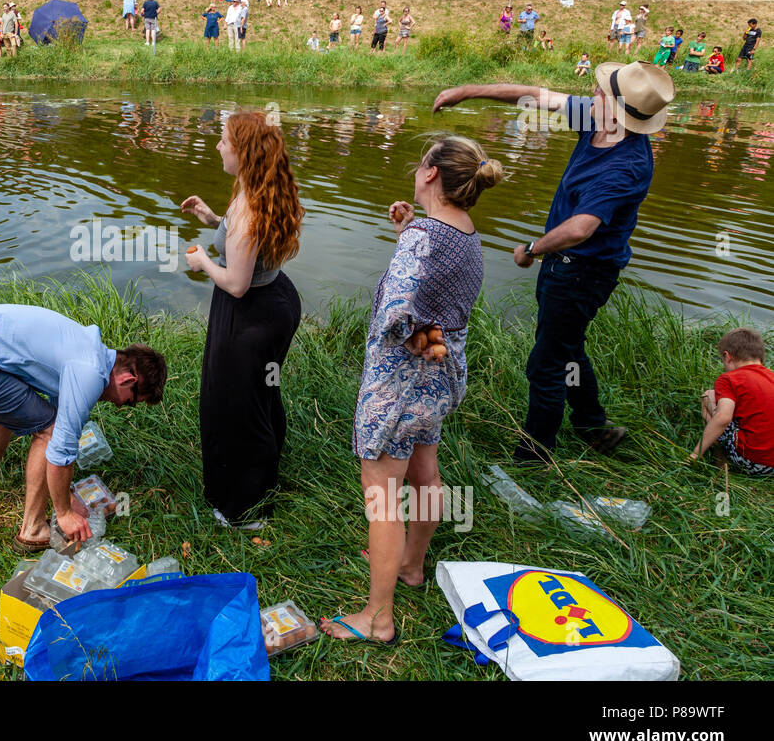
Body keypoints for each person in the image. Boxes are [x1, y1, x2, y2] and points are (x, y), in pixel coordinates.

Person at [432, 61, 675, 463]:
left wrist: (532, 248)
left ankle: (534, 458)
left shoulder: (627, 165)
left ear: (617, 110)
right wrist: (468, 90)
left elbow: (581, 227)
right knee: (568, 347)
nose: (591, 94)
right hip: (566, 265)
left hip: (583, 272)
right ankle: (593, 426)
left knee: (546, 365)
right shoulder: (599, 121)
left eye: (600, 93)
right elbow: (536, 95)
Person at [325, 135, 503, 646]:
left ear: (429, 173)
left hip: (399, 386)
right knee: (424, 470)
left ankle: (377, 618)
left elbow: (396, 312)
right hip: (442, 382)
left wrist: (409, 243)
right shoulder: (465, 233)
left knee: (382, 497)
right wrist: (407, 230)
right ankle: (411, 565)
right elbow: (436, 288)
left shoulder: (423, 238)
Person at [0, 304, 167, 549]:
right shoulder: (90, 373)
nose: (119, 406)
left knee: (16, 406)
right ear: (128, 380)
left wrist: (68, 494)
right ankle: (32, 530)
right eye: (130, 402)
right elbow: (60, 448)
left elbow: (61, 419)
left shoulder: (87, 349)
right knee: (48, 430)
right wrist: (64, 513)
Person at [182, 112, 303, 529]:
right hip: (274, 299)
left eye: (223, 141)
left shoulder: (251, 205)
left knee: (237, 407)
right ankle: (263, 482)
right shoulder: (261, 189)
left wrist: (202, 262)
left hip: (251, 314)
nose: (218, 146)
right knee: (260, 396)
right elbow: (246, 240)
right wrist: (215, 220)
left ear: (243, 151)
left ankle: (246, 511)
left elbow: (235, 282)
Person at [691, 328, 774, 477]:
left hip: (753, 463)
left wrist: (694, 454)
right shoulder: (771, 377)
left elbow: (723, 418)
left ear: (727, 356)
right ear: (761, 358)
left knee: (708, 396)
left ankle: (719, 455)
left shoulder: (729, 379)